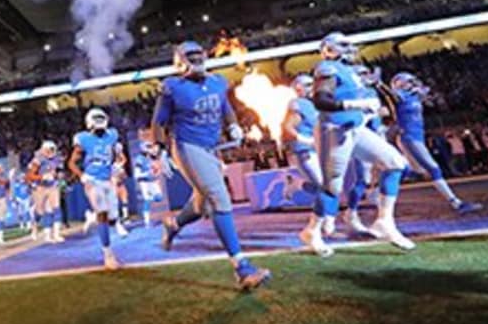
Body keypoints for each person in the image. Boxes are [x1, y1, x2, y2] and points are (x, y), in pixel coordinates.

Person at [154, 41, 272, 290]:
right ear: (179, 61)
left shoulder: (217, 81)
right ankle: (242, 268)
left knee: (200, 205)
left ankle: (173, 224)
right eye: (191, 56)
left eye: (198, 55)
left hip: (211, 147)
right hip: (188, 146)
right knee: (220, 198)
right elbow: (159, 121)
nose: (196, 60)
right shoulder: (172, 86)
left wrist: (233, 125)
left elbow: (225, 106)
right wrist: (159, 150)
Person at [312, 33, 416, 250]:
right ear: (329, 48)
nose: (350, 49)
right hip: (335, 130)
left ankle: (385, 222)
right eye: (344, 45)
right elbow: (321, 100)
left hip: (356, 128)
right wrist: (355, 105)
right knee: (332, 186)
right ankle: (311, 231)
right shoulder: (327, 68)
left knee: (395, 163)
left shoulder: (350, 71)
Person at [389, 72, 482, 213]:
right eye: (409, 82)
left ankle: (378, 189)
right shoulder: (400, 97)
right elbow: (391, 95)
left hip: (416, 136)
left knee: (413, 172)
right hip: (410, 137)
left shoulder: (414, 97)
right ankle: (456, 203)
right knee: (433, 168)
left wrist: (423, 92)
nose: (413, 84)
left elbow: (430, 99)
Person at [280, 74, 334, 257]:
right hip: (305, 151)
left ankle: (298, 185)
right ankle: (312, 231)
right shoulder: (299, 103)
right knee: (325, 188)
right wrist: (306, 140)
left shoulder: (317, 103)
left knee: (327, 188)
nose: (313, 87)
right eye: (309, 84)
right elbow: (287, 127)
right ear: (299, 88)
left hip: (319, 149)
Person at [69, 108, 125, 270]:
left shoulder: (112, 135)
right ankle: (108, 254)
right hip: (92, 180)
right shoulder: (84, 139)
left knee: (113, 218)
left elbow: (119, 156)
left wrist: (117, 166)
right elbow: (71, 163)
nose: (99, 122)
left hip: (107, 179)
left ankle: (92, 217)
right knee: (103, 213)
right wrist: (82, 176)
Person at [25, 140, 65, 243]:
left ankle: (55, 234)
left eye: (52, 149)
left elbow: (59, 171)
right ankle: (34, 225)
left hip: (52, 186)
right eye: (48, 150)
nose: (51, 152)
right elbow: (29, 175)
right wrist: (42, 177)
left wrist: (59, 176)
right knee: (40, 212)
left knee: (55, 209)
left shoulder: (57, 159)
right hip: (40, 187)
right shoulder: (38, 160)